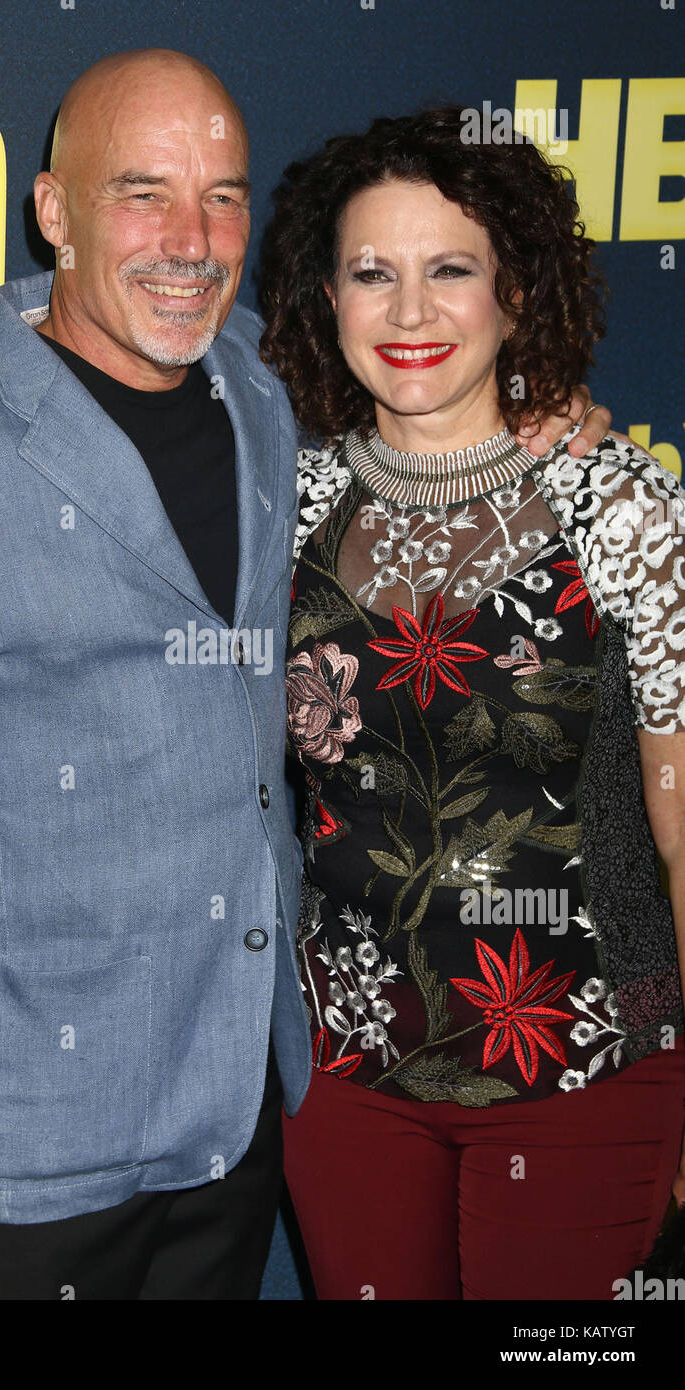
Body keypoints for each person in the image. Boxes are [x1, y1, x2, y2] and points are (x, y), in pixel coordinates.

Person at [0, 54, 614, 1303]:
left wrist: (547, 415)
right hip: (15, 1151)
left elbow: (424, 395)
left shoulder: (263, 391)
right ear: (53, 213)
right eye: (142, 194)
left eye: (222, 197)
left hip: (237, 1108)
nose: (190, 241)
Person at [259, 106, 685, 1301]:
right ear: (323, 299)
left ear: (514, 293)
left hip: (587, 1068)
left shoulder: (621, 509)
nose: (407, 314)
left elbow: (679, 829)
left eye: (450, 269)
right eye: (369, 273)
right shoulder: (282, 509)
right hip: (343, 1079)